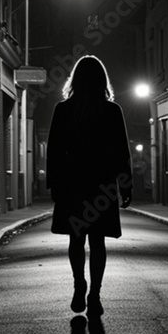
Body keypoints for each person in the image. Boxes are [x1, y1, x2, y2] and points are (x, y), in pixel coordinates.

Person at [46, 56, 132, 316]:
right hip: (101, 185)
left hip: (73, 184)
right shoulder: (112, 110)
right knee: (98, 241)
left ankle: (78, 284)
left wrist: (54, 184)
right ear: (102, 80)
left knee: (76, 238)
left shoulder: (63, 110)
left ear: (76, 80)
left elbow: (54, 151)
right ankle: (95, 294)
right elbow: (121, 152)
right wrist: (125, 185)